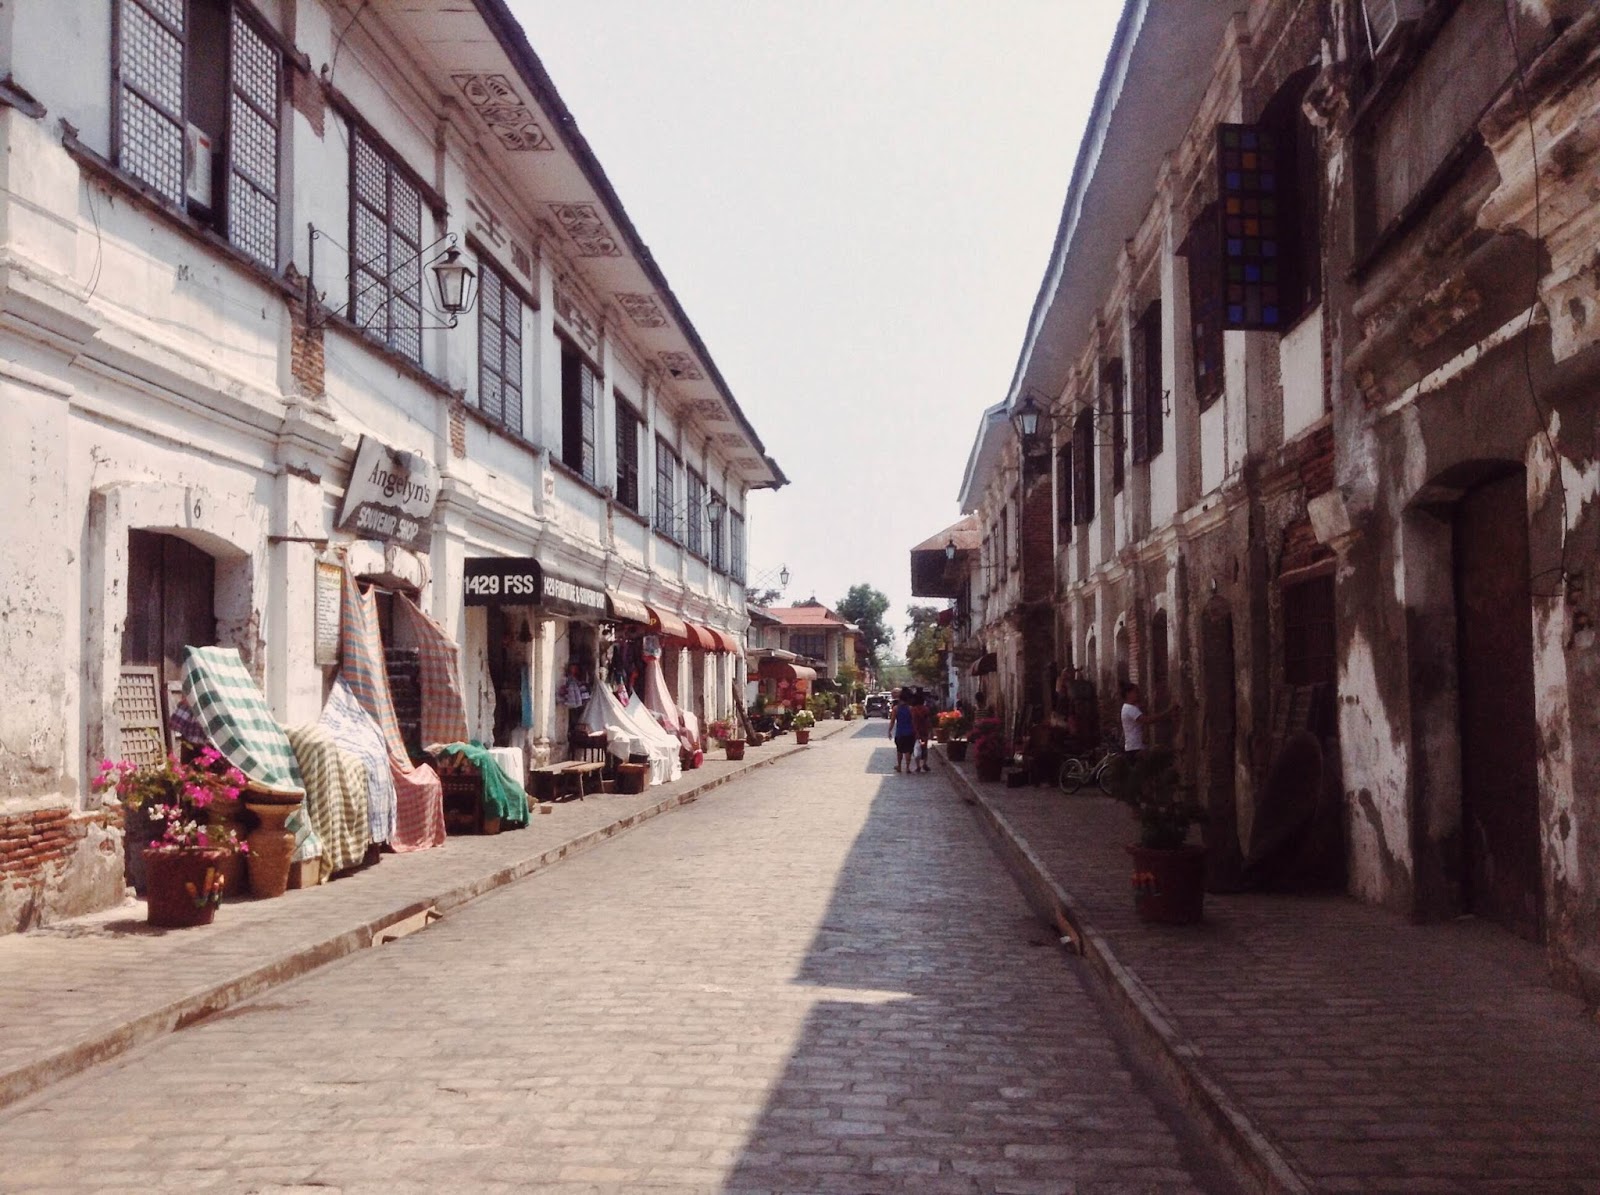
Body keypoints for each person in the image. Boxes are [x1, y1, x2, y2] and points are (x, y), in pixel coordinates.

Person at [1119, 683, 1176, 761]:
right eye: (1135, 692)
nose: (1138, 694)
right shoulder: (1130, 709)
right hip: (1135, 747)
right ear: (1128, 694)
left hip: (1135, 746)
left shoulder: (1131, 708)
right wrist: (1168, 712)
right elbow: (1147, 720)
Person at [889, 688, 916, 774]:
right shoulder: (911, 708)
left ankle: (899, 766)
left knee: (899, 750)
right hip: (910, 732)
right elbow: (913, 721)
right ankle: (907, 767)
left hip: (899, 733)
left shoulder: (896, 708)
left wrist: (889, 731)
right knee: (908, 750)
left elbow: (892, 721)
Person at [910, 691, 933, 773]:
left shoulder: (913, 709)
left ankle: (918, 766)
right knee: (924, 747)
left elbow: (912, 721)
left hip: (915, 731)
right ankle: (924, 763)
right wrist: (931, 730)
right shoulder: (926, 709)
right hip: (924, 731)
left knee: (916, 748)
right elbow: (928, 720)